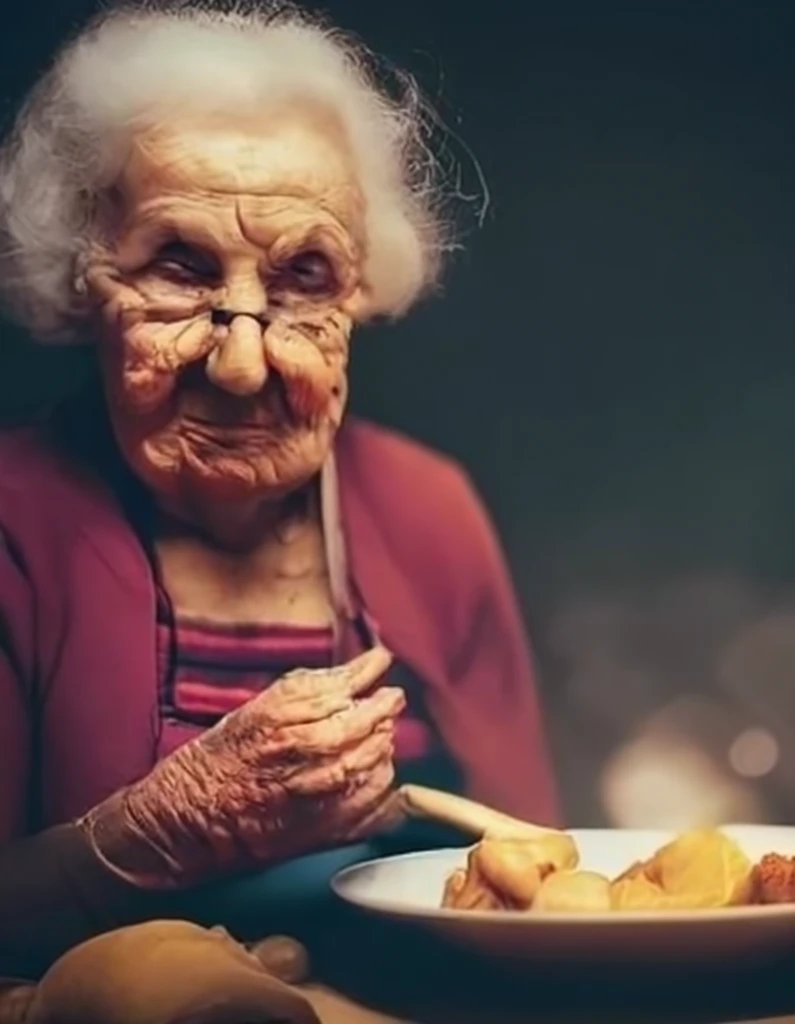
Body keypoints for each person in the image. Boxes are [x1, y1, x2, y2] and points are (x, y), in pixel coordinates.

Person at [0, 0, 559, 985]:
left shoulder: (431, 509)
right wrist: (167, 828)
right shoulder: (14, 517)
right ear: (83, 278)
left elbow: (542, 866)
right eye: (180, 266)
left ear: (360, 293)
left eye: (303, 277)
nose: (244, 365)